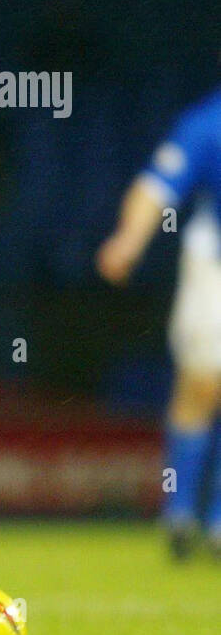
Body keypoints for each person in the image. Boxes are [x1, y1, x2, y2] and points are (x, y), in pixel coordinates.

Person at [96, 82, 221, 558]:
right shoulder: (207, 123)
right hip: (215, 263)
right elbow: (156, 187)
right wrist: (128, 240)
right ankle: (181, 514)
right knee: (203, 384)